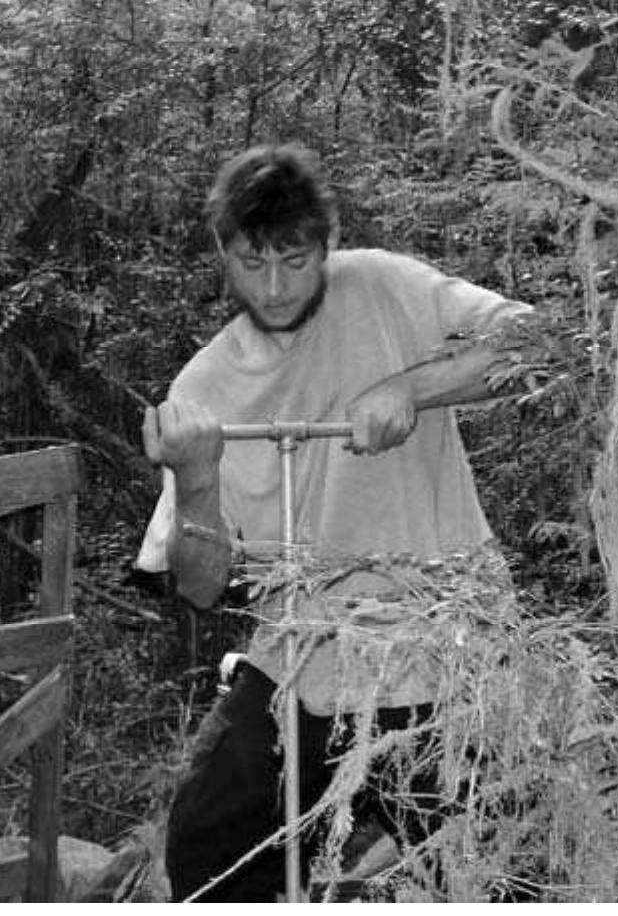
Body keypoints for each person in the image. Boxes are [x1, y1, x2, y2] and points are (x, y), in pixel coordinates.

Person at [138, 144, 531, 901]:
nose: (277, 286)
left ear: (328, 241)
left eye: (295, 259)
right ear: (222, 252)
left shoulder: (383, 286)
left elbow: (538, 344)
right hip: (305, 661)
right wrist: (193, 478)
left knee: (508, 870)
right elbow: (200, 585)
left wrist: (412, 387)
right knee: (204, 853)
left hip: (445, 653)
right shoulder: (203, 384)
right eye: (253, 263)